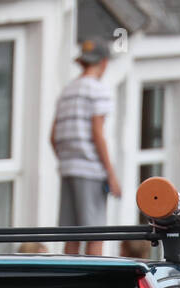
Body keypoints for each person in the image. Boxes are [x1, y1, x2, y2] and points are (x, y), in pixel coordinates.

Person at [51, 37, 121, 256]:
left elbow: (53, 136)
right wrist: (111, 174)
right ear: (104, 63)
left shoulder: (67, 91)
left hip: (68, 168)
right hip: (90, 170)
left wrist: (66, 159)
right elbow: (97, 133)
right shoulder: (99, 90)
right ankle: (95, 286)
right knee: (96, 234)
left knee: (71, 236)